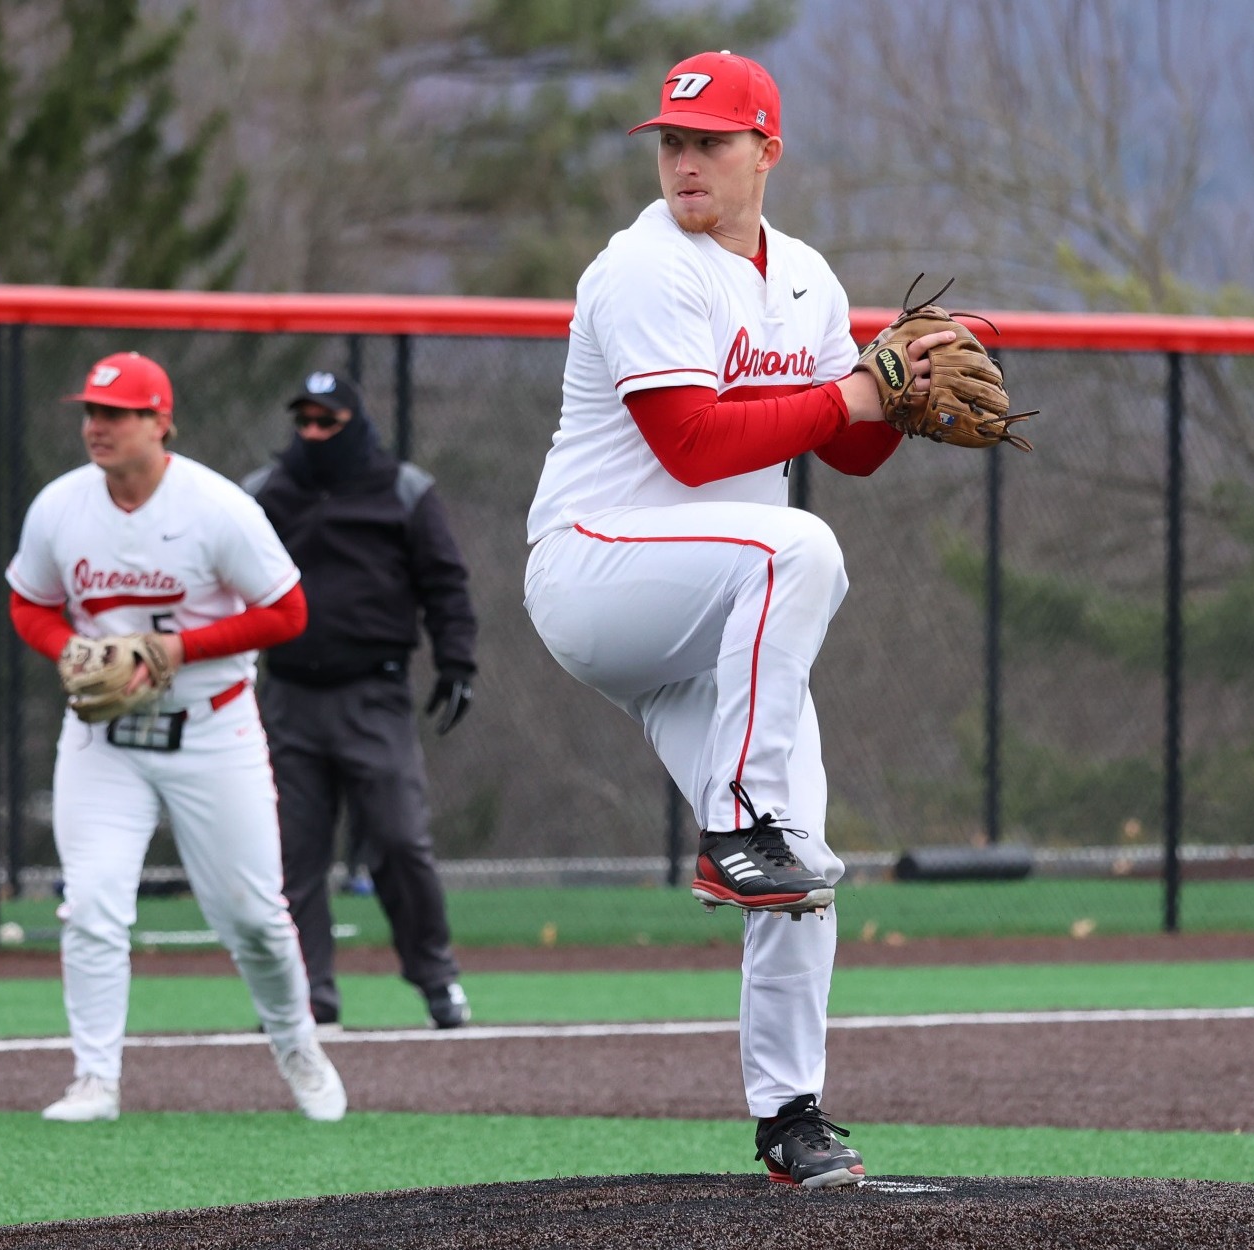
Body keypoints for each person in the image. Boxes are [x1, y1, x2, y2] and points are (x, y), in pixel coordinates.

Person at [522, 51, 960, 1188]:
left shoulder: (804, 276)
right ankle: (733, 825)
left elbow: (847, 447)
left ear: (766, 150)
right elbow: (692, 446)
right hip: (597, 571)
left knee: (802, 864)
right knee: (796, 544)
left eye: (708, 141)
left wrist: (896, 393)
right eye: (670, 141)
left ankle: (789, 1115)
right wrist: (851, 395)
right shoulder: (638, 270)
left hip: (717, 617)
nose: (683, 160)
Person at [6, 350, 346, 1124]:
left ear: (161, 422)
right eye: (91, 412)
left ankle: (298, 1045)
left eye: (117, 414)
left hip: (213, 727)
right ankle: (95, 1079)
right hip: (106, 736)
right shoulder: (60, 507)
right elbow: (29, 603)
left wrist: (174, 650)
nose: (98, 427)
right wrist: (66, 649)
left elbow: (287, 611)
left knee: (255, 917)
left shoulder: (215, 507)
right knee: (92, 904)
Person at [243, 370, 478, 1031]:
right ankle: (307, 994)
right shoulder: (263, 493)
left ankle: (437, 978)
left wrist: (456, 662)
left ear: (355, 424)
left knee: (401, 843)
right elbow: (221, 577)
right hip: (287, 695)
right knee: (293, 854)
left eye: (328, 423)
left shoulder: (403, 490)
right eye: (305, 422)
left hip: (373, 693)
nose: (313, 434)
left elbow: (445, 582)